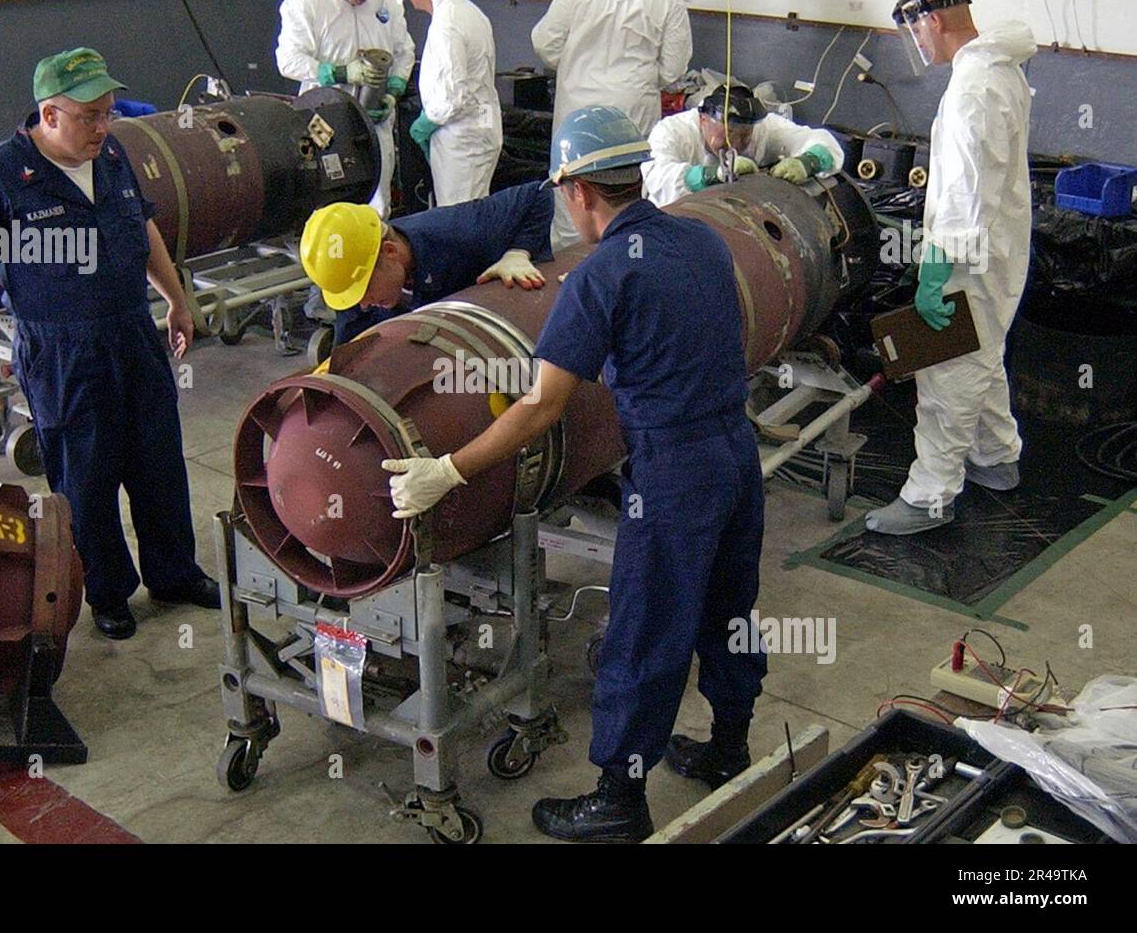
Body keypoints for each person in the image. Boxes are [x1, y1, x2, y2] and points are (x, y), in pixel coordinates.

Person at [382, 106, 766, 843]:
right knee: (730, 605)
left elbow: (539, 407)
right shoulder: (703, 240)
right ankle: (729, 744)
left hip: (675, 468)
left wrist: (449, 470)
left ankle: (620, 798)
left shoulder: (598, 281)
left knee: (646, 626)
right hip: (733, 453)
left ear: (578, 190)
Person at [0, 48, 218, 640]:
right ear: (49, 114)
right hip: (61, 352)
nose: (103, 126)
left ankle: (174, 574)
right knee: (84, 478)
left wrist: (176, 298)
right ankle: (108, 593)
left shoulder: (113, 153)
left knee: (159, 463)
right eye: (89, 116)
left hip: (131, 332)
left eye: (108, 113)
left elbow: (142, 226)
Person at [866, 0, 1035, 535]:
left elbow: (964, 193)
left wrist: (935, 273)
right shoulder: (999, 70)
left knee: (948, 369)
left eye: (914, 30)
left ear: (931, 22)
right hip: (999, 242)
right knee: (981, 351)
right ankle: (997, 456)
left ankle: (930, 496)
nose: (917, 44)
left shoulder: (973, 88)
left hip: (971, 252)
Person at [531, 0, 692, 248]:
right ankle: (628, 267)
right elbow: (674, 70)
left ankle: (568, 280)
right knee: (629, 198)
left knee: (571, 200)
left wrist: (577, 65)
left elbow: (544, 44)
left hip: (576, 113)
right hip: (630, 115)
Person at [300, 181, 552, 345]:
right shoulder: (351, 277)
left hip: (502, 331)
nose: (363, 304)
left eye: (364, 290)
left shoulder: (460, 231)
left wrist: (518, 252)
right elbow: (350, 346)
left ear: (390, 252)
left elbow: (539, 194)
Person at [276, 0, 415, 218]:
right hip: (325, 117)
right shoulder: (307, 5)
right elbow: (288, 60)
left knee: (376, 202)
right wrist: (338, 73)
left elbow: (404, 51)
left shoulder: (385, 5)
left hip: (373, 120)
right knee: (327, 197)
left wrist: (394, 89)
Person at [394, 0, 502, 206]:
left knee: (460, 223)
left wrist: (424, 123)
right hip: (479, 132)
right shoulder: (470, 12)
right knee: (474, 216)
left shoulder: (447, 24)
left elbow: (451, 97)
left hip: (461, 142)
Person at [642, 84, 844, 207]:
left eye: (744, 136)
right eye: (728, 134)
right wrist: (712, 175)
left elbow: (821, 141)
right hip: (675, 218)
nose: (735, 145)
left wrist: (807, 162)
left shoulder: (765, 127)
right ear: (703, 120)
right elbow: (657, 176)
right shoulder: (671, 131)